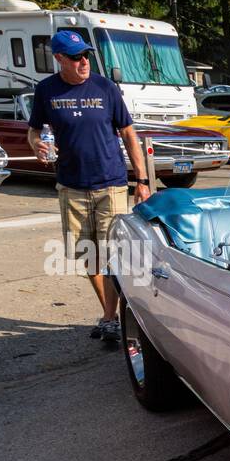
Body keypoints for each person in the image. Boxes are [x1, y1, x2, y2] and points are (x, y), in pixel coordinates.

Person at [27, 30, 150, 345]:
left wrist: (143, 180)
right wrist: (38, 145)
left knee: (113, 256)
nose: (83, 62)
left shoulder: (105, 87)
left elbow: (129, 133)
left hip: (110, 184)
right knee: (89, 258)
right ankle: (111, 316)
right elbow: (34, 133)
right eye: (76, 57)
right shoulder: (46, 91)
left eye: (85, 56)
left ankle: (111, 319)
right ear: (59, 59)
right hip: (71, 186)